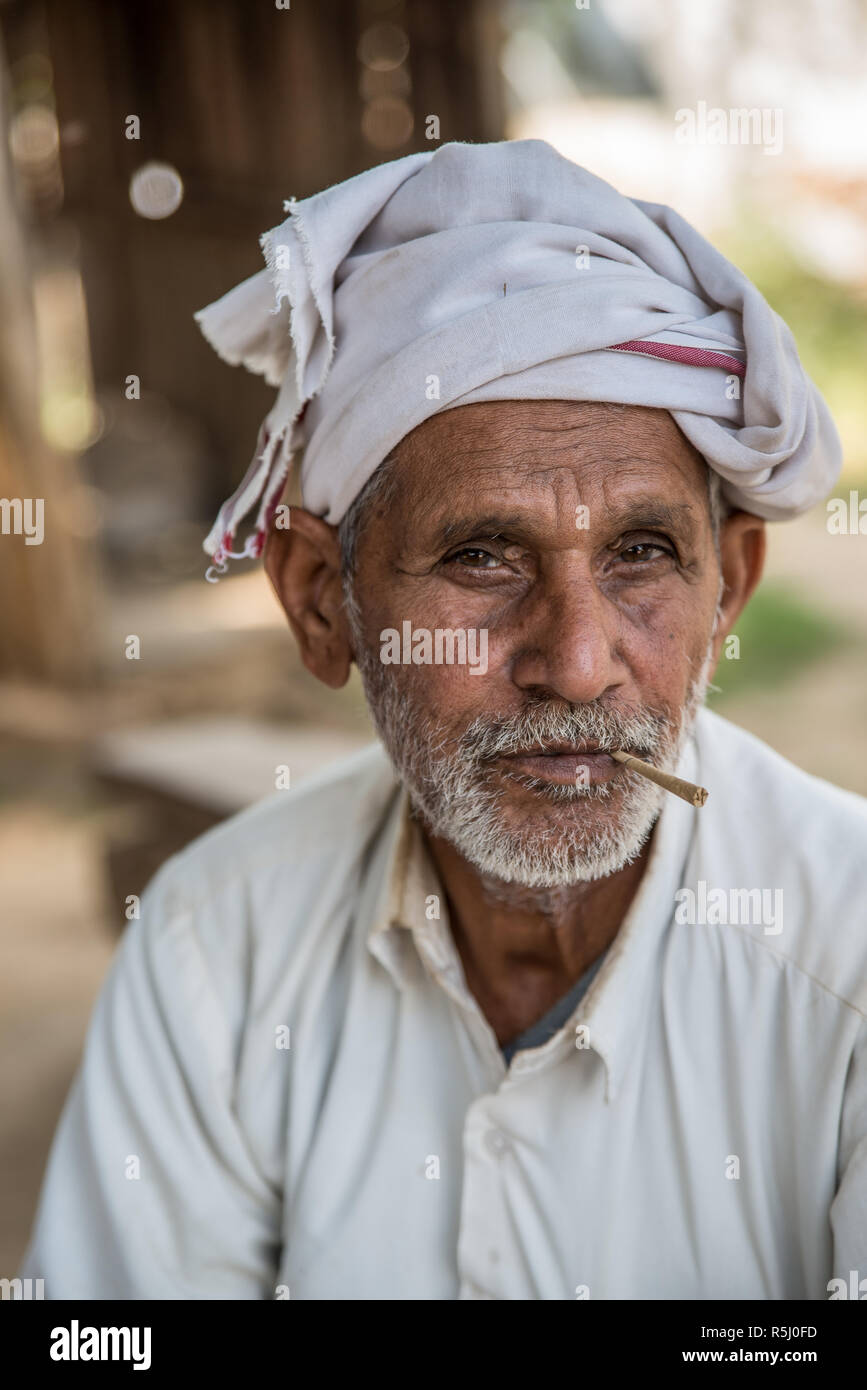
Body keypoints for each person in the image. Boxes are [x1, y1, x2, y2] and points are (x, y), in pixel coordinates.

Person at [20, 140, 866, 1300]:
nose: (575, 665)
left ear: (730, 590)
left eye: (643, 555)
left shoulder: (848, 967)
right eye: (481, 556)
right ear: (324, 604)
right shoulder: (214, 948)